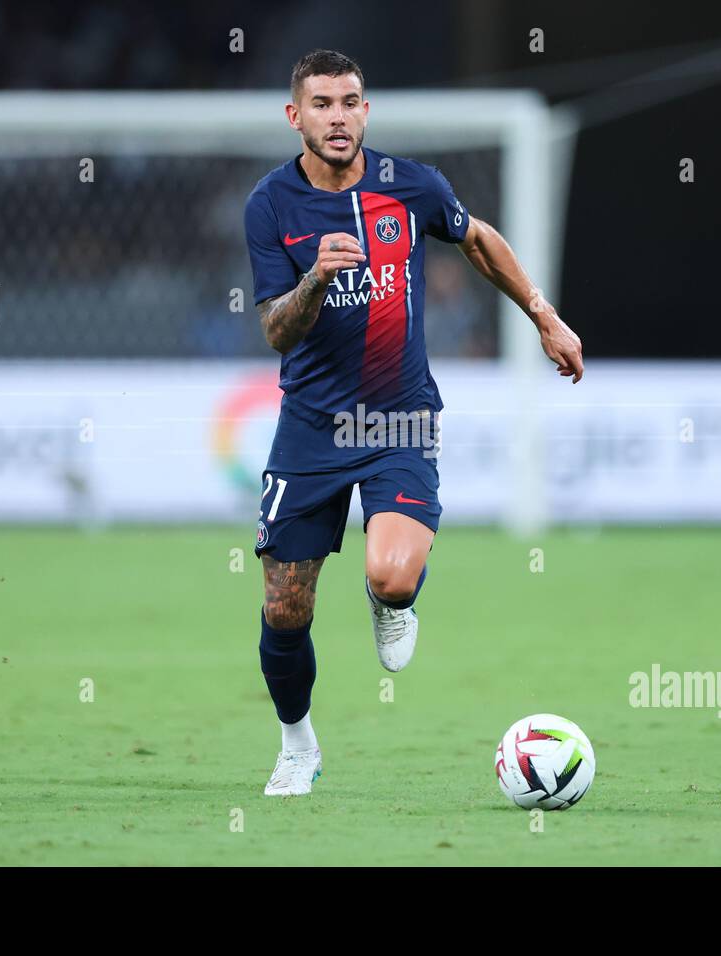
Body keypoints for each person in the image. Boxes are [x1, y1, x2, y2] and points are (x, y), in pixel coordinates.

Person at [244, 49, 584, 795]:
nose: (340, 117)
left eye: (352, 101)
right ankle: (297, 743)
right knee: (284, 607)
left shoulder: (411, 186)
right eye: (324, 103)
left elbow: (477, 239)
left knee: (393, 576)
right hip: (310, 427)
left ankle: (388, 603)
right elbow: (275, 329)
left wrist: (543, 315)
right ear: (295, 115)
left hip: (398, 418)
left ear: (366, 111)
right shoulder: (270, 205)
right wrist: (316, 280)